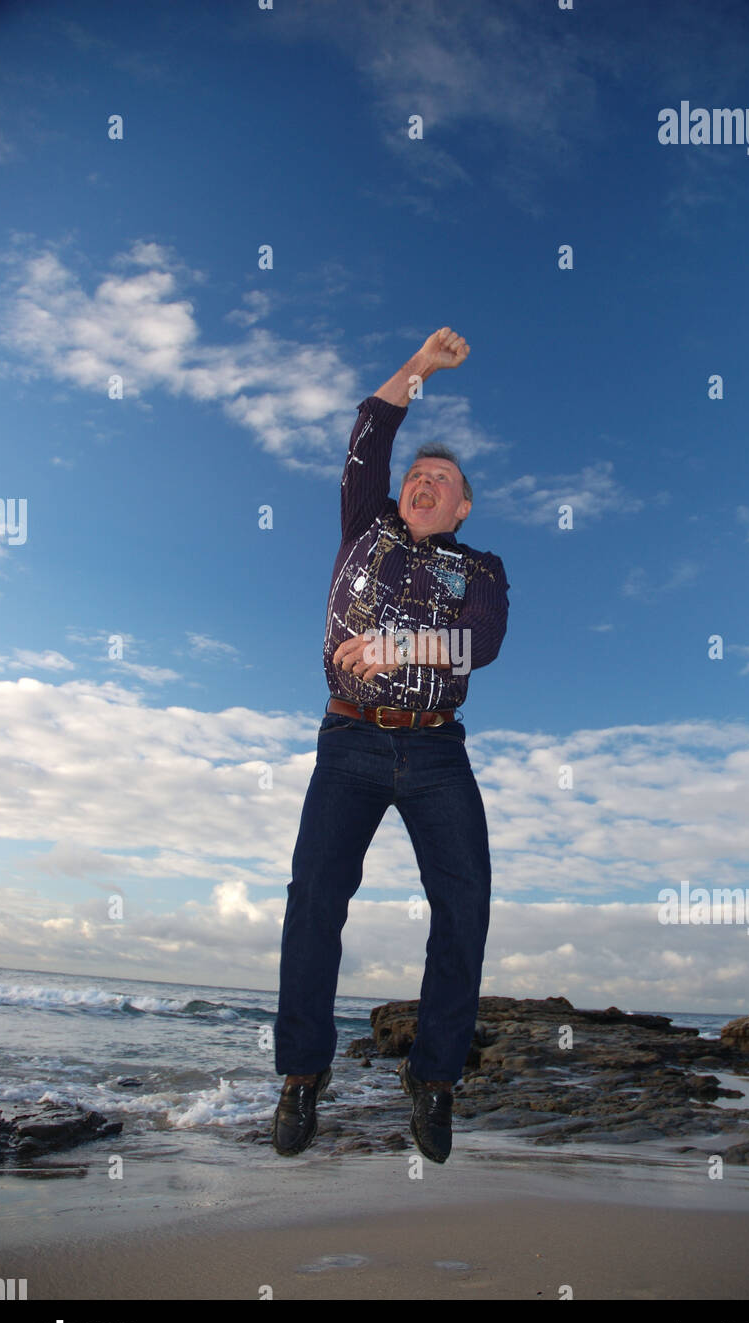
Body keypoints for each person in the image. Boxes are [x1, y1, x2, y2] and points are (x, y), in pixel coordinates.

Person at [272, 327, 509, 1163]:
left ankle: (434, 1081)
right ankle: (302, 1078)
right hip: (349, 741)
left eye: (440, 479)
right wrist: (417, 371)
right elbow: (371, 433)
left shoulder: (480, 569)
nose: (421, 481)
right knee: (315, 898)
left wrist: (397, 648)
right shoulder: (364, 524)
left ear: (462, 506)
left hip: (438, 754)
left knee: (466, 902)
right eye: (416, 474)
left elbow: (482, 643)